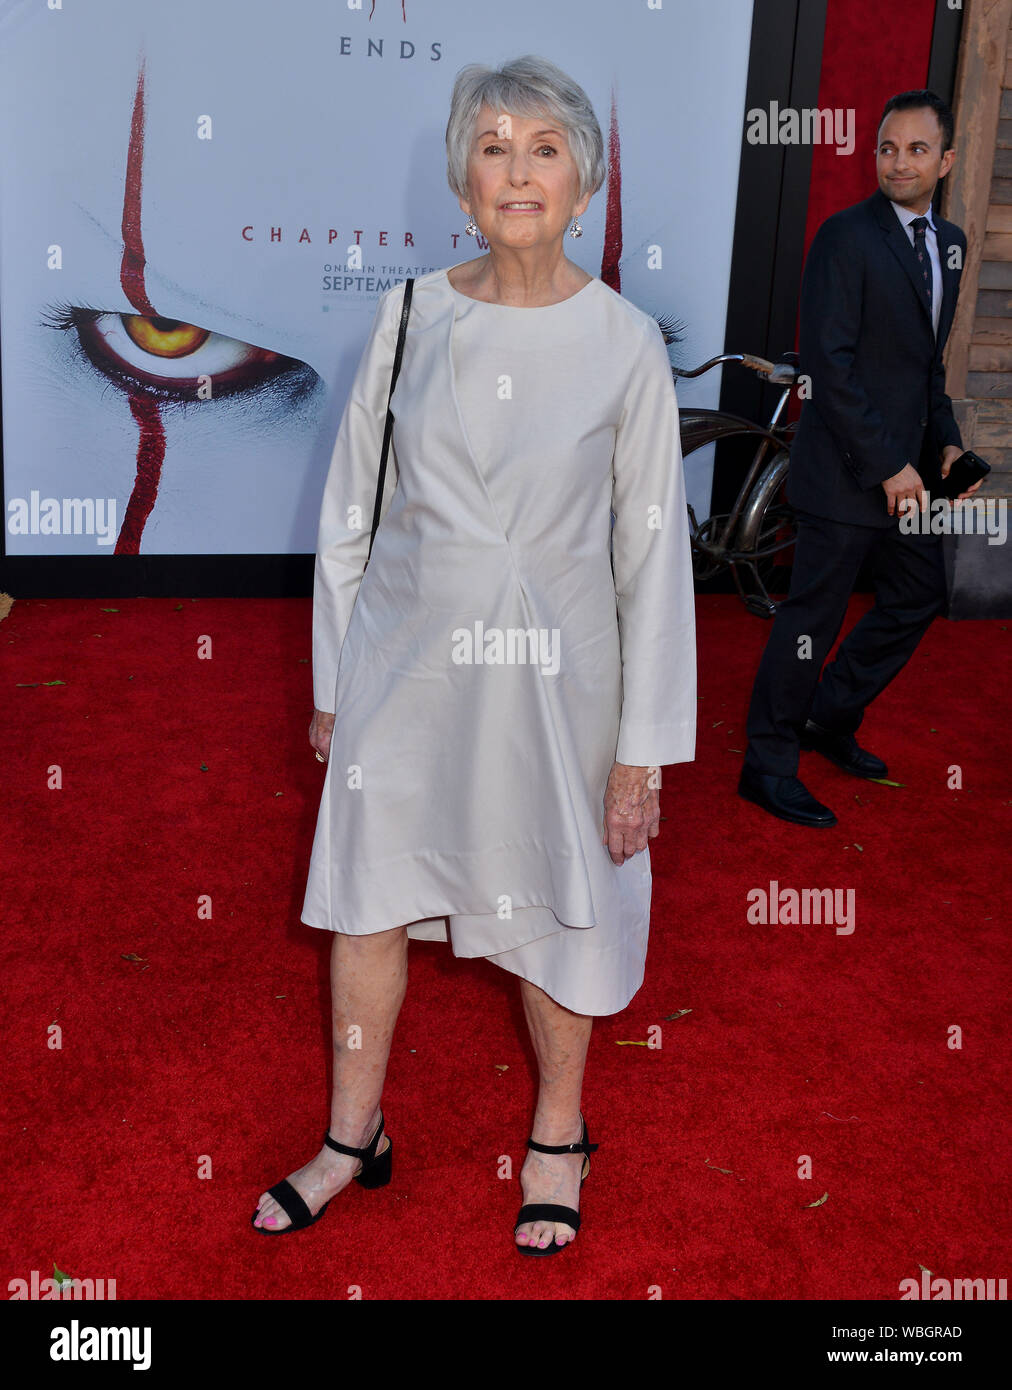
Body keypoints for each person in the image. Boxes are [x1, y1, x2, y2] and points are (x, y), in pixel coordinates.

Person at [252, 54, 696, 1253]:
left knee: (561, 909)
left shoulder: (624, 344)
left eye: (543, 147)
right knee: (367, 901)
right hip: (406, 675)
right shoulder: (406, 317)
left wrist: (643, 752)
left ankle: (557, 1131)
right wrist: (336, 688)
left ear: (584, 180)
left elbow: (654, 560)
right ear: (460, 177)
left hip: (562, 695)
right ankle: (355, 1133)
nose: (516, 169)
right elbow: (352, 515)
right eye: (494, 146)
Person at [739, 89, 982, 828]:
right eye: (886, 147)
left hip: (910, 473)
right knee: (811, 616)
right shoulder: (845, 238)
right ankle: (767, 762)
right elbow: (827, 367)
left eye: (914, 149)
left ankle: (829, 715)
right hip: (849, 473)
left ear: (944, 160)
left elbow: (925, 366)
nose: (897, 161)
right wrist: (886, 465)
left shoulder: (951, 244)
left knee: (917, 597)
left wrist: (944, 438)